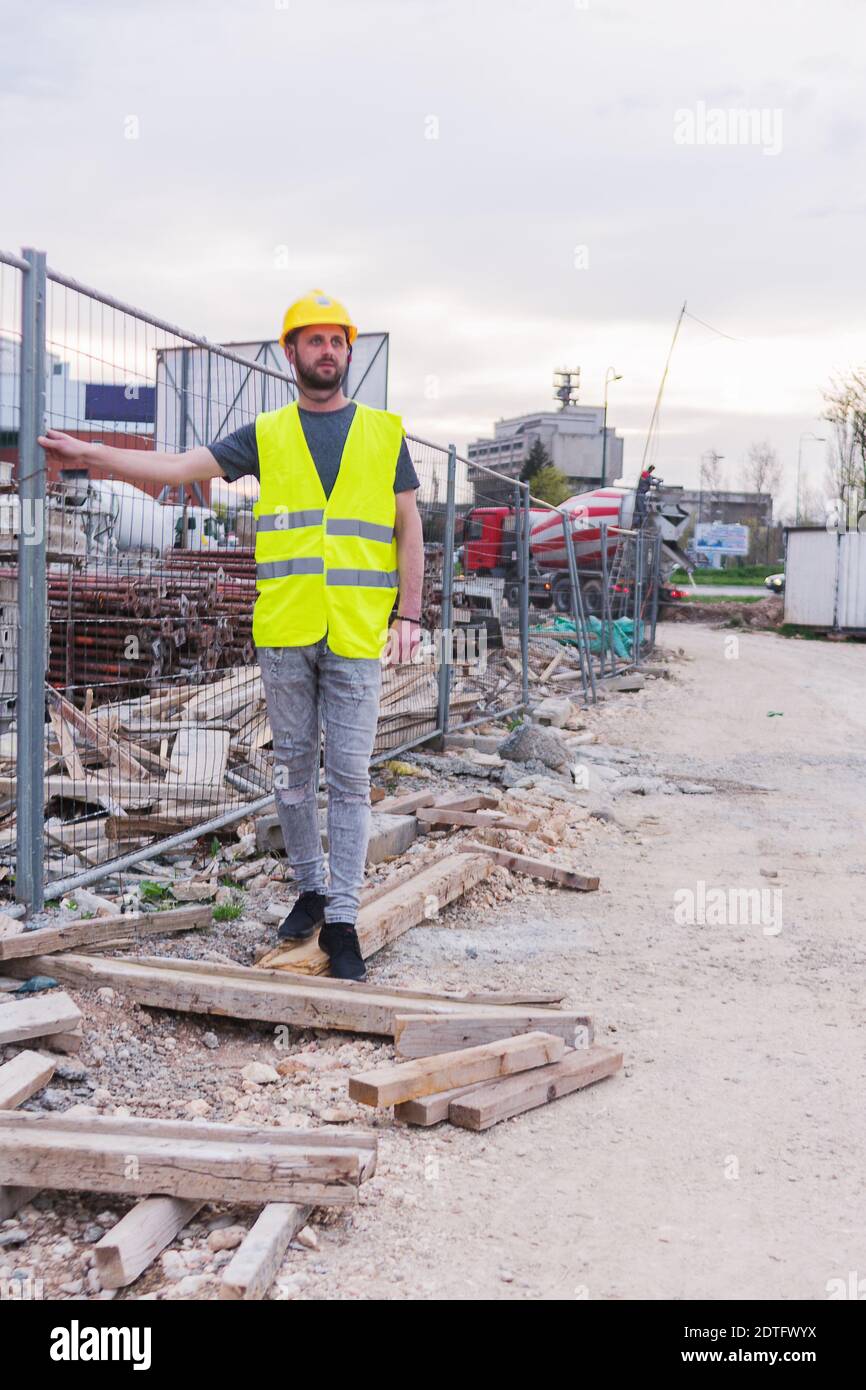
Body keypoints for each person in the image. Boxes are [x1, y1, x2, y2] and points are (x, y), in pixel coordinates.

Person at [39, 289, 425, 981]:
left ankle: (342, 919)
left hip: (358, 632)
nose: (328, 350)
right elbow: (180, 468)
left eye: (338, 340)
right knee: (292, 775)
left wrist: (411, 613)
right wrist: (95, 452)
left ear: (349, 350)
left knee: (349, 777)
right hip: (286, 629)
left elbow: (409, 528)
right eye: (314, 340)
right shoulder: (267, 434)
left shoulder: (384, 432)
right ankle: (309, 888)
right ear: (292, 353)